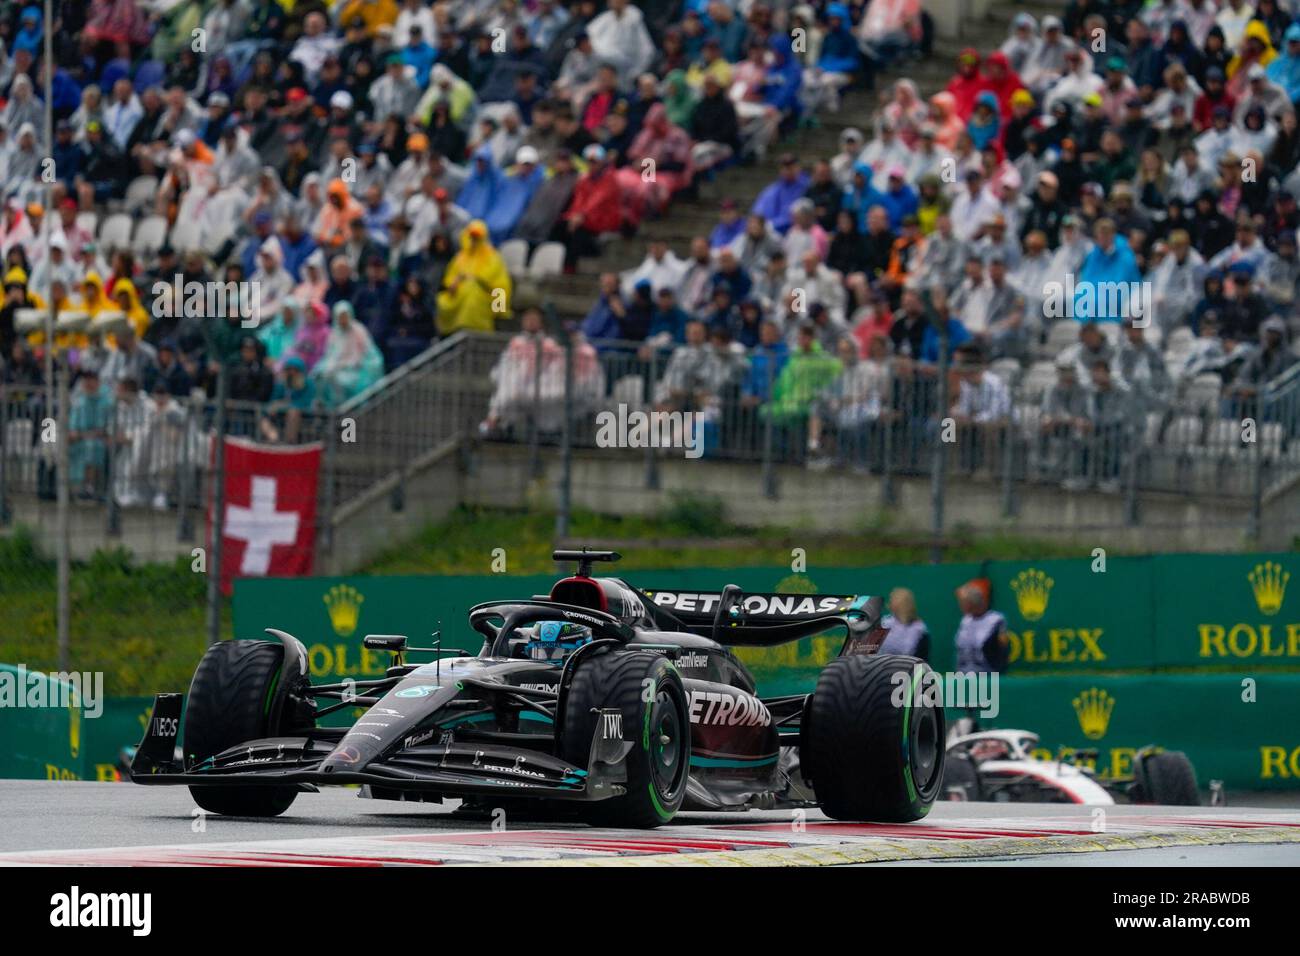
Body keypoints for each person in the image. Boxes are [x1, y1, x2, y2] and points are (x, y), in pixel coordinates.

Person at [435, 220, 513, 335]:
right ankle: (449, 332)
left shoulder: (492, 256)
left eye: (477, 237)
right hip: (458, 293)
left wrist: (473, 279)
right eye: (471, 237)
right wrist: (454, 282)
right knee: (441, 299)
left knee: (472, 292)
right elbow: (450, 277)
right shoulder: (460, 257)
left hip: (486, 293)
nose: (473, 241)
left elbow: (496, 282)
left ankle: (470, 330)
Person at [312, 301, 384, 406]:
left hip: (355, 369)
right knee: (318, 375)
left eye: (344, 316)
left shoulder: (358, 330)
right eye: (340, 316)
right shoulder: (334, 332)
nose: (343, 319)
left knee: (340, 380)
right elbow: (330, 354)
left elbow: (369, 352)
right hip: (336, 366)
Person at [953, 581, 1008, 674]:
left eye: (962, 602)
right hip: (963, 674)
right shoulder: (965, 621)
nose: (960, 605)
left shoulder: (996, 620)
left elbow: (1002, 651)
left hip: (986, 674)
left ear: (972, 602)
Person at [879, 587, 931, 660]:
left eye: (895, 599)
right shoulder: (884, 623)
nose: (891, 601)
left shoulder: (920, 630)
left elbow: (921, 661)